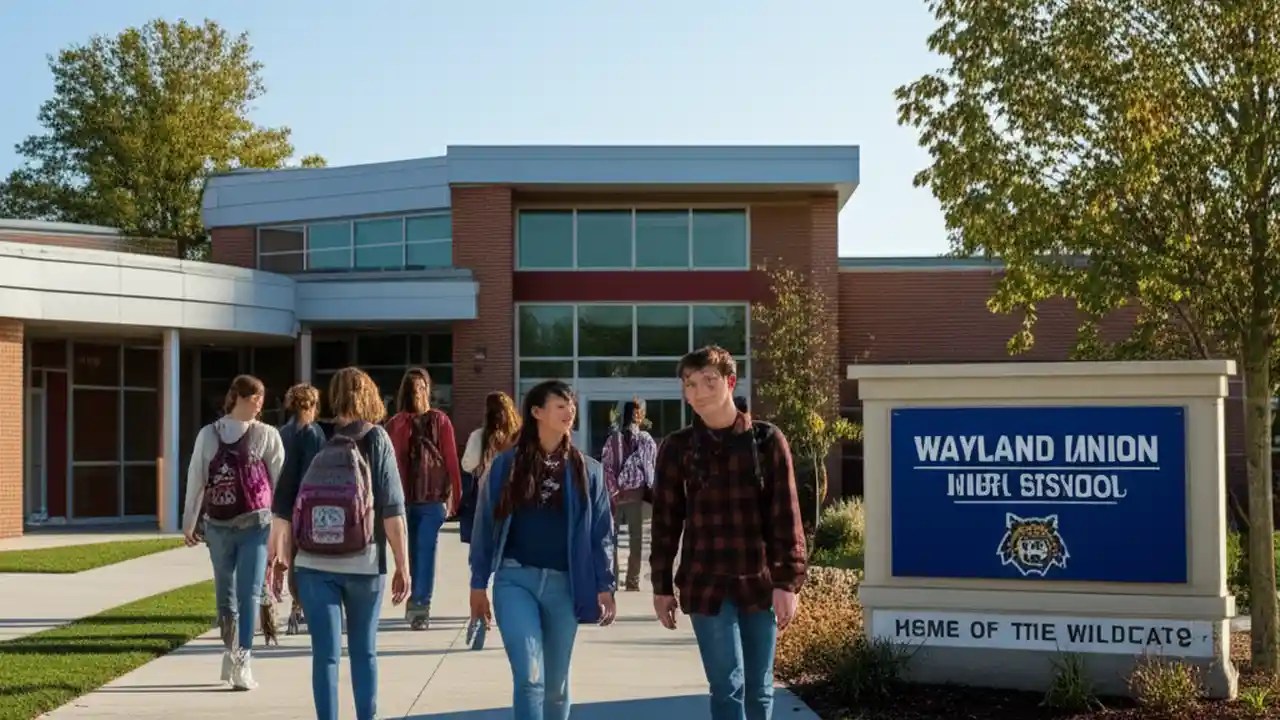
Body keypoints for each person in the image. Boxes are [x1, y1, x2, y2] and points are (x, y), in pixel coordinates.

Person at [649, 346, 807, 720]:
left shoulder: (767, 441)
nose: (698, 391)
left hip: (760, 581)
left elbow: (786, 516)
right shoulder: (677, 448)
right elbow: (665, 522)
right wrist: (660, 587)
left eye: (708, 381)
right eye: (690, 384)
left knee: (760, 689)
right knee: (727, 687)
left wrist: (788, 583)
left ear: (730, 383)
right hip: (707, 585)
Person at [267, 367, 411, 720]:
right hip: (364, 563)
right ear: (371, 396)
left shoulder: (314, 437)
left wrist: (276, 559)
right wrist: (403, 564)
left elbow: (282, 507)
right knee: (364, 652)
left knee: (325, 656)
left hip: (314, 565)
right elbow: (393, 511)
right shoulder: (376, 439)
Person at [468, 380, 617, 720]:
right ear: (537, 412)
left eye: (571, 405)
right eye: (561, 405)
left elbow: (601, 534)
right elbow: (484, 526)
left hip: (565, 586)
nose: (570, 412)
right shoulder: (507, 466)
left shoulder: (588, 470)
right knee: (530, 679)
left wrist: (605, 584)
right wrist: (479, 582)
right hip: (515, 581)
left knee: (555, 686)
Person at [182, 374, 284, 691]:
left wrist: (281, 530)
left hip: (256, 523)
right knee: (225, 596)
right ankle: (231, 651)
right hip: (218, 526)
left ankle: (244, 659)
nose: (260, 405)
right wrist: (189, 520)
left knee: (249, 591)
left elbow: (280, 480)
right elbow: (196, 478)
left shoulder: (267, 435)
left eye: (262, 400)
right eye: (256, 398)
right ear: (239, 397)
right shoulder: (208, 435)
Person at [384, 367, 462, 630]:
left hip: (432, 499)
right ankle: (413, 599)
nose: (417, 392)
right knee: (409, 554)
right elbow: (388, 465)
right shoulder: (395, 424)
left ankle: (420, 606)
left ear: (428, 390)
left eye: (421, 387)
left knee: (425, 550)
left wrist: (456, 496)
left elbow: (451, 459)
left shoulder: (440, 421)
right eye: (412, 388)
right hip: (402, 501)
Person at [275, 383, 328, 634]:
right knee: (311, 558)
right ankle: (302, 605)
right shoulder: (313, 434)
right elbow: (312, 472)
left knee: (294, 559)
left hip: (283, 505)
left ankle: (296, 605)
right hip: (306, 505)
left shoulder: (283, 432)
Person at [600, 399, 657, 591]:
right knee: (636, 539)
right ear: (637, 415)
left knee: (612, 539)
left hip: (615, 498)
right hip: (636, 496)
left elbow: (606, 468)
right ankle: (632, 581)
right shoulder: (645, 439)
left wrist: (614, 489)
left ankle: (613, 579)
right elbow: (650, 468)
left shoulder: (612, 440)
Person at [459, 391, 522, 543]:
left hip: (485, 496)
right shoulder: (519, 437)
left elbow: (467, 465)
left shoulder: (479, 436)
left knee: (484, 545)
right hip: (515, 497)